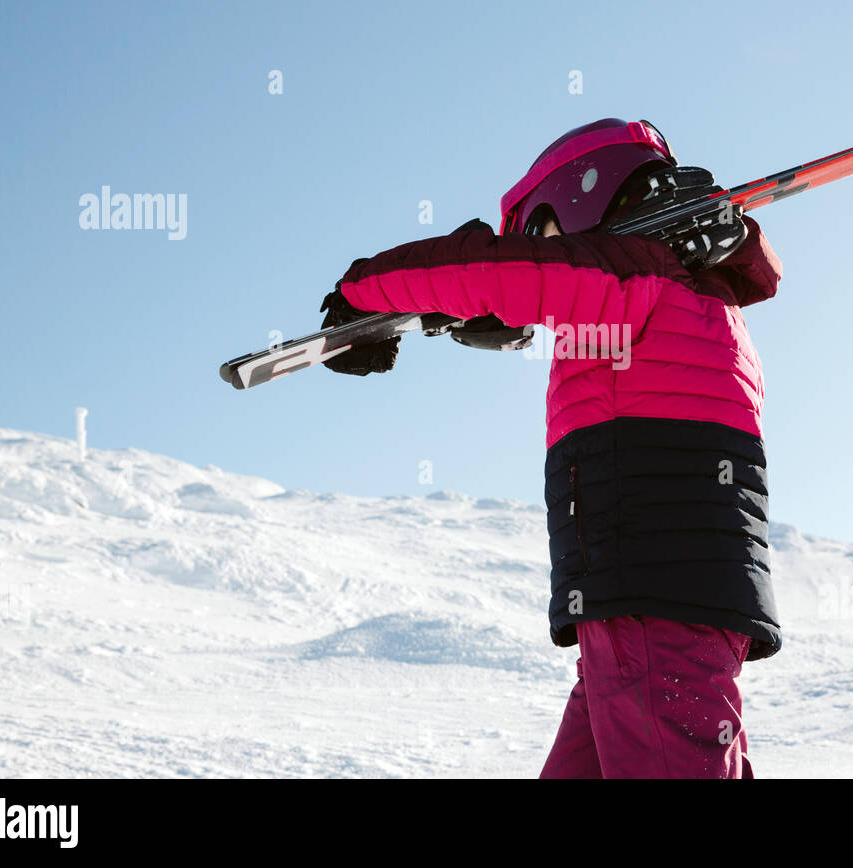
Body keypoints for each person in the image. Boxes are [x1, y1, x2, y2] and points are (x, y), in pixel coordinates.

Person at [318, 119, 782, 778]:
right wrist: (459, 315)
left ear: (578, 198)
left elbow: (496, 271)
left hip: (650, 600)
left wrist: (363, 290)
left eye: (540, 230)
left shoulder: (626, 281)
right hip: (653, 608)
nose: (542, 249)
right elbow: (523, 295)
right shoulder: (693, 301)